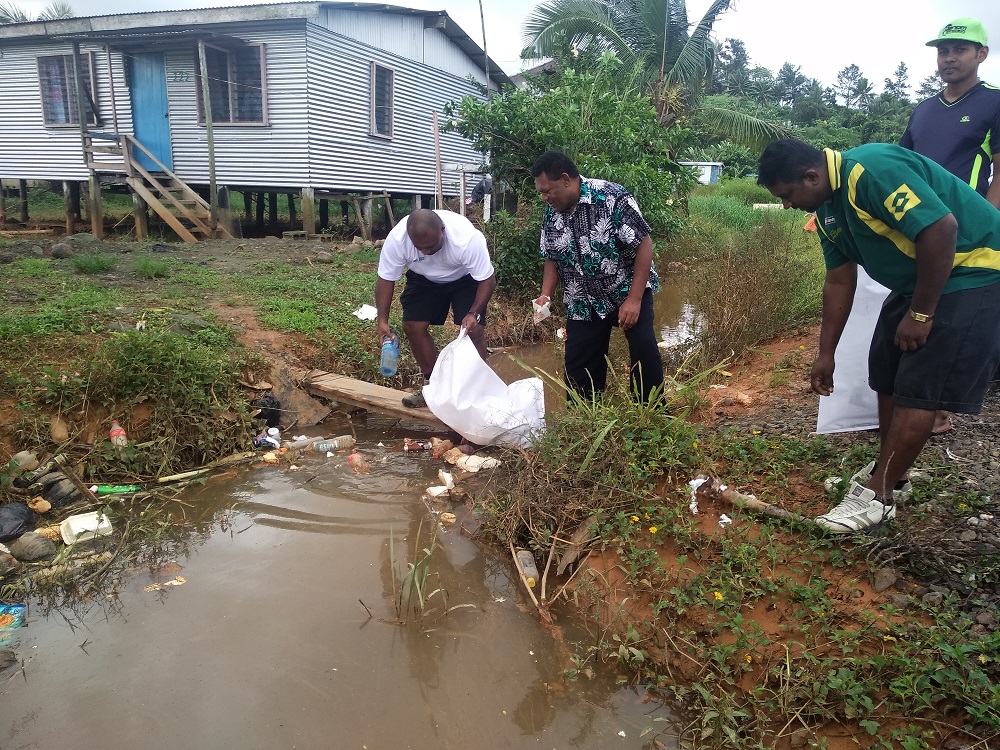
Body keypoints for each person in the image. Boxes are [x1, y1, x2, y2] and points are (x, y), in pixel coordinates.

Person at [758, 139, 1000, 534]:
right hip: (916, 283)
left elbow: (941, 228)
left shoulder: (870, 169)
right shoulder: (827, 212)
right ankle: (893, 473)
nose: (787, 205)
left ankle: (879, 495)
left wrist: (922, 314)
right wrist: (826, 353)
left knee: (918, 386)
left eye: (788, 195)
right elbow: (838, 280)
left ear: (812, 176)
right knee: (886, 372)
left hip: (975, 270)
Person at [900, 16, 1000, 435]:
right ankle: (918, 398)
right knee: (921, 302)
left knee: (956, 308)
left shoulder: (994, 102)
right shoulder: (923, 110)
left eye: (960, 49)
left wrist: (990, 225)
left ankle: (939, 403)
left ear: (981, 54)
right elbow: (902, 169)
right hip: (921, 228)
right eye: (943, 50)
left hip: (969, 229)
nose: (949, 58)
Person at [530, 150, 664, 403]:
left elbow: (644, 245)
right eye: (541, 192)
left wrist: (635, 300)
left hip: (625, 289)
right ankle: (585, 421)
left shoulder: (613, 197)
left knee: (643, 351)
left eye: (548, 190)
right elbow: (552, 255)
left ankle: (652, 414)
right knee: (579, 362)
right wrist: (545, 294)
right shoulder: (552, 211)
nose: (545, 197)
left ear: (567, 179)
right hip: (582, 298)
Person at [375, 208, 497, 408]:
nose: (426, 252)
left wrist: (473, 313)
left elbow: (487, 280)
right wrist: (382, 321)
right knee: (413, 326)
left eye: (431, 246)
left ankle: (479, 391)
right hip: (423, 278)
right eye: (419, 248)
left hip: (465, 277)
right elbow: (386, 279)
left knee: (473, 329)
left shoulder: (466, 239)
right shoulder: (398, 240)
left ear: (443, 230)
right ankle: (433, 388)